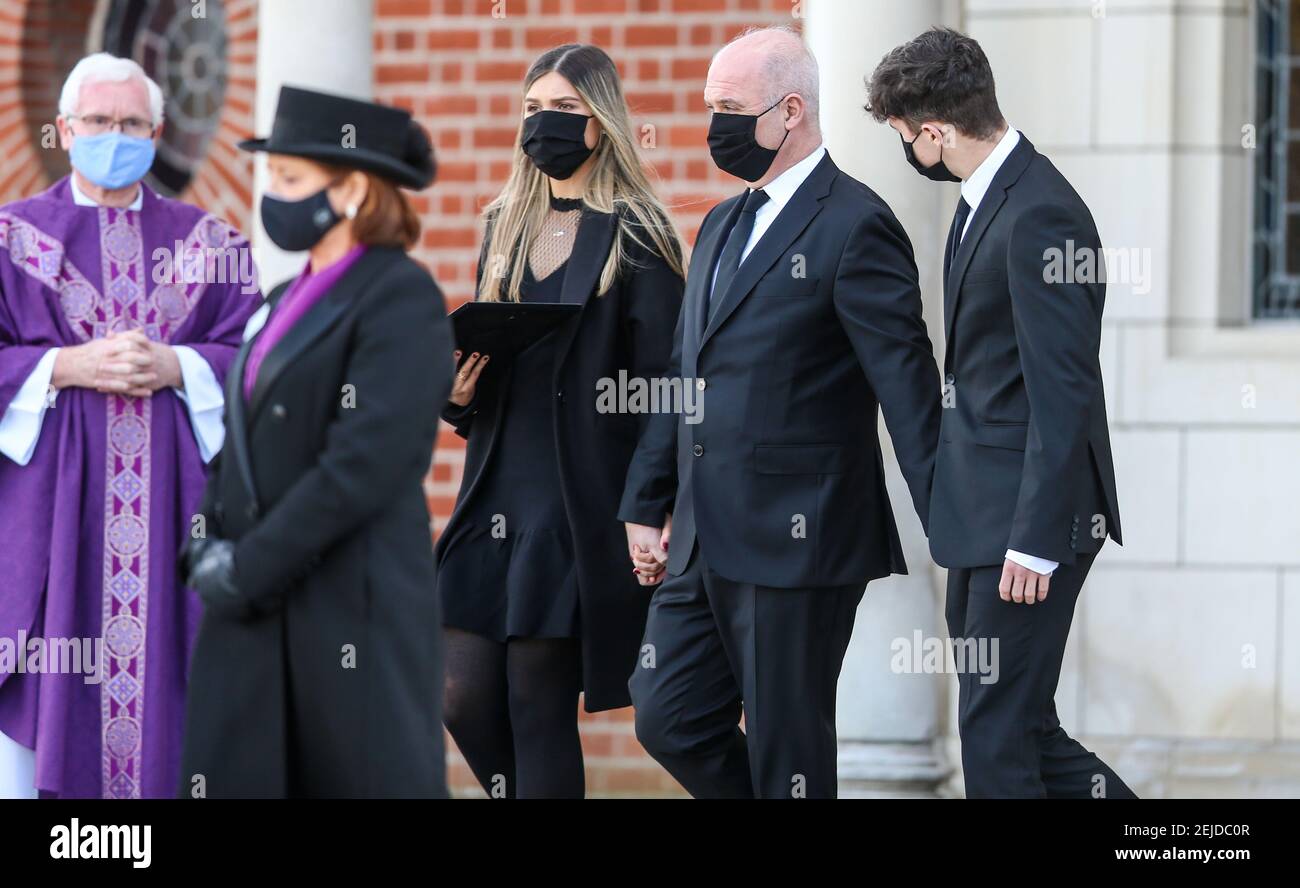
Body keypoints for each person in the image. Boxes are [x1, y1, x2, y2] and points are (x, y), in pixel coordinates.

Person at [623, 26, 942, 799]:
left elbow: (909, 392)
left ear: (789, 110)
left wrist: (959, 524)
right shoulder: (721, 224)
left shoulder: (856, 224)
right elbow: (682, 374)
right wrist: (646, 500)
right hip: (700, 536)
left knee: (788, 748)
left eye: (729, 108)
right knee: (667, 715)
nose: (713, 127)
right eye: (708, 108)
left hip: (800, 537)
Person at [866, 27, 1135, 799]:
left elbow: (1065, 391)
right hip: (987, 517)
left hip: (1027, 530)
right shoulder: (992, 198)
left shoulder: (1041, 212)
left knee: (994, 738)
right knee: (1021, 727)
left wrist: (1035, 543)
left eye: (903, 137)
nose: (907, 152)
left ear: (934, 131)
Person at [177, 86, 453, 798]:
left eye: (291, 180)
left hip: (346, 609)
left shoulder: (401, 296)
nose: (274, 197)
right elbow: (239, 444)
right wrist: (203, 541)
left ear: (354, 188)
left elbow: (366, 464)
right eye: (273, 177)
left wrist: (251, 566)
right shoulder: (277, 301)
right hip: (252, 612)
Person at [0, 53, 258, 798]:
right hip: (49, 527)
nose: (117, 135)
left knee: (171, 709)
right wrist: (64, 367)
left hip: (175, 529)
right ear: (63, 130)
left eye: (132, 123)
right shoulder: (13, 242)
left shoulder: (213, 246)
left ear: (159, 131)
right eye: (100, 122)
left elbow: (264, 361)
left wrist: (180, 367)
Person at [437, 43, 685, 799]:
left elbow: (665, 388)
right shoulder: (502, 224)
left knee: (536, 703)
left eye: (566, 110)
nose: (545, 124)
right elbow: (497, 367)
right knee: (464, 697)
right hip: (495, 488)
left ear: (602, 123)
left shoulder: (639, 232)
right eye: (533, 109)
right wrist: (457, 395)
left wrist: (651, 506)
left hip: (576, 499)